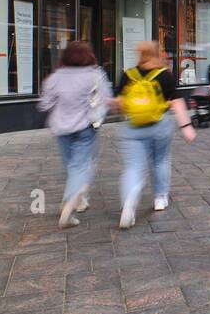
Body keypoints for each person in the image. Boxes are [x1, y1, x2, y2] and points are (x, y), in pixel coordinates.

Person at [113, 41, 195, 229]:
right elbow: (176, 102)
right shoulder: (164, 74)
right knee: (160, 161)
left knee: (133, 167)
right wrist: (186, 126)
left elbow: (120, 104)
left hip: (133, 127)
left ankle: (130, 199)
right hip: (160, 126)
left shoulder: (129, 75)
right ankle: (160, 198)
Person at [37, 41, 113, 228]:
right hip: (86, 127)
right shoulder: (95, 75)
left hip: (62, 128)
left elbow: (44, 104)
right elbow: (106, 99)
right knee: (80, 166)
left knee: (72, 166)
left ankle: (80, 199)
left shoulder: (55, 78)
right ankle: (70, 202)